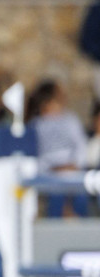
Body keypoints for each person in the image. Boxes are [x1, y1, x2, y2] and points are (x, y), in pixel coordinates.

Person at [27, 80, 90, 217]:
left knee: (81, 197)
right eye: (57, 98)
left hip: (73, 172)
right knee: (56, 198)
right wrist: (50, 169)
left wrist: (75, 165)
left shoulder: (71, 120)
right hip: (49, 174)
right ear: (46, 101)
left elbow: (81, 145)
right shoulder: (35, 126)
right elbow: (34, 155)